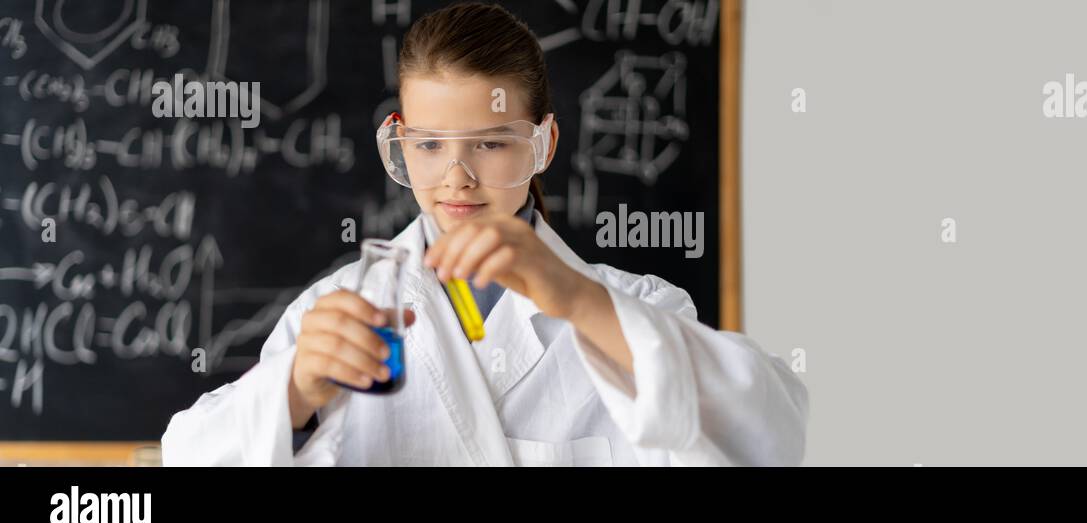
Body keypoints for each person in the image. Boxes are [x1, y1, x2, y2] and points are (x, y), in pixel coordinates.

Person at [161, 2, 808, 466]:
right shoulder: (340, 312)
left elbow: (772, 437)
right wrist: (295, 391)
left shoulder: (636, 309)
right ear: (399, 143)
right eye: (431, 144)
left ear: (544, 143)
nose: (456, 177)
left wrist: (580, 302)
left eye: (492, 143)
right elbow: (188, 457)